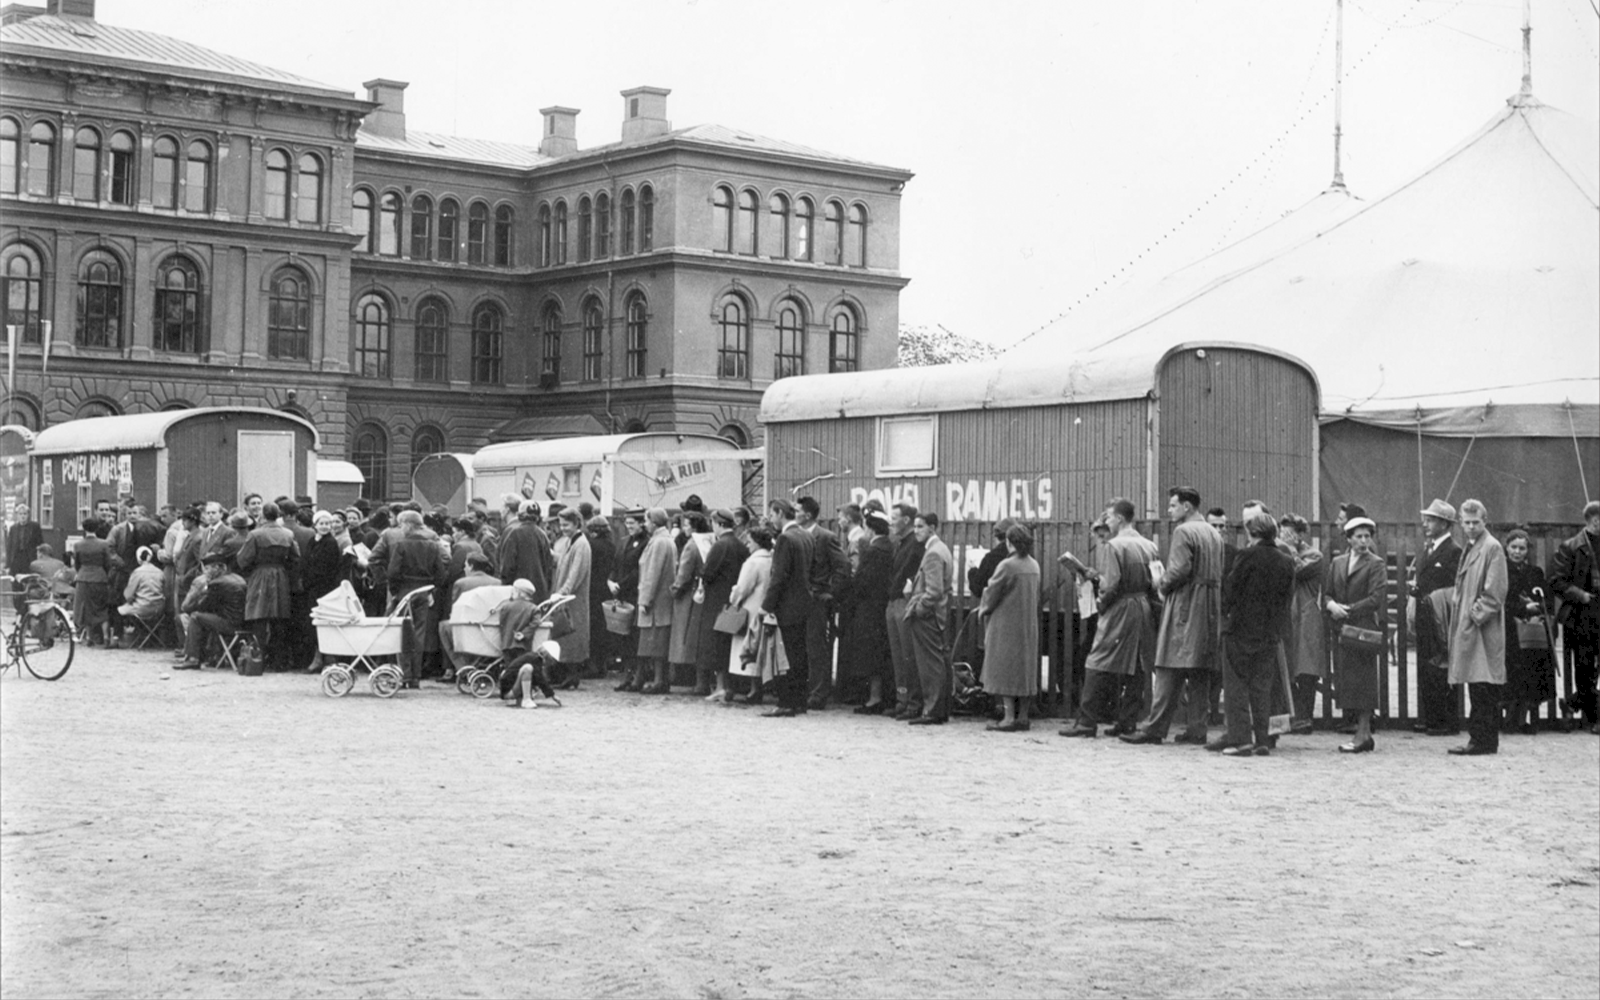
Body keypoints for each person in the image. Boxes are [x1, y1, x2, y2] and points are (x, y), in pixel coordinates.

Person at [1122, 486, 1223, 746]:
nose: (1169, 510)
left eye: (1173, 505)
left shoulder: (1183, 531)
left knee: (1168, 663)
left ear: (1187, 506)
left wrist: (1161, 583)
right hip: (1210, 605)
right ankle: (1197, 728)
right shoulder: (1214, 533)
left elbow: (1179, 570)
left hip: (1185, 604)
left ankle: (1155, 728)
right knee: (1200, 669)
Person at [1060, 499, 1159, 738]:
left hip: (1120, 607)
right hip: (1142, 607)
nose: (1108, 522)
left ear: (1120, 519)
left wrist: (1101, 603)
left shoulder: (1114, 546)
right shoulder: (1149, 546)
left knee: (1098, 659)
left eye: (1110, 518)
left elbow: (1111, 584)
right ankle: (1128, 721)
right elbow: (1156, 580)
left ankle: (1086, 721)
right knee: (1137, 664)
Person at [1215, 511, 1296, 756]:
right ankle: (1263, 739)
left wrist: (1226, 613)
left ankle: (1241, 740)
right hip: (1269, 633)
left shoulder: (1246, 555)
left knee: (1237, 686)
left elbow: (1231, 591)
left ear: (1252, 533)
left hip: (1241, 630)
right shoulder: (1285, 560)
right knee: (1263, 688)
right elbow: (1286, 598)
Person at [1446, 500, 1507, 756]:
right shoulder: (1472, 547)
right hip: (1471, 626)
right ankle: (1481, 739)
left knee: (1483, 685)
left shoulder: (1492, 548)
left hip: (1482, 628)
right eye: (1467, 522)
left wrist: (1474, 614)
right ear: (1461, 522)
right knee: (1477, 683)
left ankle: (1482, 741)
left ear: (1485, 521)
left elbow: (1495, 592)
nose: (1471, 527)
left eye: (1476, 522)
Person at [1324, 516, 1386, 753]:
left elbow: (1376, 598)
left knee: (1364, 682)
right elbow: (1328, 592)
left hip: (1362, 629)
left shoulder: (1376, 564)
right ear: (1348, 539)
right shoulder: (1338, 562)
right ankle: (1362, 734)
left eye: (1367, 536)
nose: (1363, 541)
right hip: (1341, 629)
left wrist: (1347, 610)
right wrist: (1331, 606)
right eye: (1358, 536)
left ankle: (1363, 734)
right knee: (1348, 682)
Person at [979, 524, 1041, 732]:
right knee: (1024, 670)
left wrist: (983, 609)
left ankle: (1007, 717)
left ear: (1009, 542)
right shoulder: (1033, 565)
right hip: (1027, 624)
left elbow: (992, 592)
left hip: (1005, 623)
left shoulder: (1007, 565)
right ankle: (1023, 716)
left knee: (1004, 669)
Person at [760, 499, 818, 717]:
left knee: (785, 655)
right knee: (799, 654)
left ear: (780, 513)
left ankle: (786, 702)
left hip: (787, 604)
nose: (772, 519)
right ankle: (799, 701)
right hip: (803, 602)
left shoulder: (785, 538)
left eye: (773, 515)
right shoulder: (806, 535)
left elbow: (779, 576)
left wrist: (767, 605)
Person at [1411, 499, 1463, 736]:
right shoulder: (1428, 549)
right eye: (1426, 519)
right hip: (1425, 615)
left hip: (1443, 616)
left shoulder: (1454, 551)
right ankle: (1431, 717)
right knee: (1426, 665)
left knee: (1443, 665)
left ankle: (1446, 721)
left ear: (1444, 523)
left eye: (1431, 520)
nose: (1426, 524)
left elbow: (1456, 586)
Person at [1549, 501, 1600, 734]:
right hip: (1581, 616)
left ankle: (1571, 703)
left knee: (1592, 670)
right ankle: (1594, 718)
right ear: (1593, 520)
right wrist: (1581, 596)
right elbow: (1556, 581)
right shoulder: (1570, 547)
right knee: (1585, 667)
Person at [796, 495, 850, 710]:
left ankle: (819, 693)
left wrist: (831, 593)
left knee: (817, 646)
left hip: (817, 599)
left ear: (807, 515)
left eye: (797, 510)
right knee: (800, 645)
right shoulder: (795, 535)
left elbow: (843, 566)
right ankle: (806, 688)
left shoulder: (825, 537)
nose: (795, 513)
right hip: (798, 599)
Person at [1502, 528, 1555, 733]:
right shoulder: (1502, 570)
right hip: (1509, 629)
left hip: (1531, 631)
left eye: (1522, 548)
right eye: (1514, 547)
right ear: (1506, 548)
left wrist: (1537, 607)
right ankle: (1508, 718)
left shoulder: (1535, 572)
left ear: (1527, 550)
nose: (1517, 552)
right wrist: (1521, 607)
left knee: (1530, 672)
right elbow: (1501, 600)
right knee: (1511, 673)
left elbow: (1546, 599)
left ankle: (1523, 719)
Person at [386, 509, 446, 688]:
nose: (400, 528)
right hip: (424, 591)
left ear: (408, 525)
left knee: (404, 632)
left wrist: (395, 591)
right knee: (419, 634)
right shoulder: (433, 545)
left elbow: (393, 572)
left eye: (401, 524)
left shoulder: (401, 545)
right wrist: (431, 591)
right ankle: (416, 676)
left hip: (405, 590)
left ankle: (405, 673)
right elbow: (441, 574)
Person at [237, 501, 299, 672]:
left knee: (258, 617)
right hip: (281, 576)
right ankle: (279, 661)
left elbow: (243, 559)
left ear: (263, 515)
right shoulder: (288, 534)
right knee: (279, 618)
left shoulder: (255, 534)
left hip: (260, 575)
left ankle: (258, 659)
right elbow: (295, 558)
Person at [904, 512, 953, 725]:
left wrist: (918, 609)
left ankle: (931, 710)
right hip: (937, 615)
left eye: (920, 526)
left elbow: (934, 591)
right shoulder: (941, 549)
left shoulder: (932, 553)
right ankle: (939, 710)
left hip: (928, 617)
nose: (916, 531)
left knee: (929, 664)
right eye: (915, 526)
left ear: (932, 528)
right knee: (939, 661)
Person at [843, 510, 895, 714]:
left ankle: (874, 698)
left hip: (868, 608)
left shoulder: (873, 551)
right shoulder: (890, 547)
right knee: (881, 653)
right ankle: (882, 697)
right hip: (881, 605)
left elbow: (862, 581)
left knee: (871, 655)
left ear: (871, 529)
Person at [1277, 514, 1326, 726]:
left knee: (1306, 668)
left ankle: (1305, 717)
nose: (1284, 537)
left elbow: (1295, 571)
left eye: (1289, 533)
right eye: (1282, 532)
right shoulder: (1280, 553)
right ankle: (1293, 716)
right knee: (1286, 666)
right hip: (1288, 615)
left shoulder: (1315, 555)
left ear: (1299, 535)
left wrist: (1290, 549)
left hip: (1306, 615)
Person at [698, 510, 749, 703]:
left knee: (715, 645)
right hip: (733, 602)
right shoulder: (740, 545)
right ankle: (729, 686)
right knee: (729, 645)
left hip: (716, 602)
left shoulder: (720, 545)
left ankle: (720, 687)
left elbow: (708, 572)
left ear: (718, 524)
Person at [727, 524, 776, 704]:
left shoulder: (752, 562)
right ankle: (760, 688)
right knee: (761, 648)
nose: (747, 545)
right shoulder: (772, 560)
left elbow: (742, 589)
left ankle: (753, 690)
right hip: (765, 608)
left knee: (749, 647)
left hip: (750, 609)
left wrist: (734, 597)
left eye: (749, 542)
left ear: (756, 542)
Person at [885, 503, 925, 720]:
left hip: (902, 600)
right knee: (898, 655)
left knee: (906, 655)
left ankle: (911, 702)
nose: (891, 522)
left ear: (906, 520)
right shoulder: (901, 543)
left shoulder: (913, 545)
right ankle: (903, 699)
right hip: (895, 600)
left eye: (895, 518)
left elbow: (904, 573)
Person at [173, 552, 247, 670]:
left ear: (217, 568)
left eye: (208, 568)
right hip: (243, 623)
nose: (205, 572)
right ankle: (207, 656)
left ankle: (193, 658)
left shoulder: (217, 583)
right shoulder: (239, 578)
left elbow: (203, 606)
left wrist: (200, 593)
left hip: (229, 624)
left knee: (196, 617)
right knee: (204, 618)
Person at [635, 508, 679, 694]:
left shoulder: (659, 542)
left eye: (646, 521)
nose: (645, 524)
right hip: (661, 600)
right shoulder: (665, 540)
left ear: (653, 522)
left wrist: (645, 599)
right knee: (656, 641)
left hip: (655, 602)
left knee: (655, 642)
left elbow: (652, 573)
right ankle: (657, 679)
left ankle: (659, 680)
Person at [549, 508, 592, 686]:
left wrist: (562, 592)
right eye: (561, 524)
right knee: (567, 635)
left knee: (573, 634)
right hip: (567, 599)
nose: (563, 528)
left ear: (576, 524)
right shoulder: (571, 541)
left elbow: (576, 573)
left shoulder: (581, 544)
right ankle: (569, 675)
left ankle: (573, 675)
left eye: (566, 524)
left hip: (573, 600)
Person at [610, 511, 649, 692]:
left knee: (635, 637)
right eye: (627, 522)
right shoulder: (624, 541)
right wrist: (611, 580)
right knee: (622, 637)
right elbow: (616, 564)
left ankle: (637, 676)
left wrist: (620, 584)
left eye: (632, 523)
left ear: (642, 523)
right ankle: (627, 674)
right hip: (620, 593)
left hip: (632, 592)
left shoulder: (645, 542)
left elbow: (637, 570)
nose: (629, 526)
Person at [71, 518, 120, 647]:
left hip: (83, 578)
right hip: (100, 578)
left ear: (84, 528)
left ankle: (88, 637)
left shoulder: (78, 545)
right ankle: (105, 637)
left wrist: (82, 571)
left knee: (86, 609)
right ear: (97, 528)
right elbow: (108, 563)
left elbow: (77, 564)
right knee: (101, 608)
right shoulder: (103, 544)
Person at [499, 499, 554, 600]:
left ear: (520, 515)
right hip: (540, 591)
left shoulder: (515, 534)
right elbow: (548, 567)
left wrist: (505, 586)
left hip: (520, 592)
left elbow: (508, 566)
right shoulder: (543, 535)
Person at [585, 515, 616, 679]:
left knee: (593, 629)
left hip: (592, 590)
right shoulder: (612, 546)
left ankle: (592, 666)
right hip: (606, 590)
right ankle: (602, 665)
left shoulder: (591, 546)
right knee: (603, 629)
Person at [115, 546, 167, 646]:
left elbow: (128, 595)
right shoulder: (160, 572)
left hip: (142, 607)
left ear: (138, 558)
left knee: (118, 611)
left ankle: (117, 638)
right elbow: (164, 591)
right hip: (159, 609)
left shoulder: (137, 572)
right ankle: (149, 638)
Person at [5, 503, 44, 612]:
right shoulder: (13, 528)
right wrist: (8, 565)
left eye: (25, 514)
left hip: (29, 560)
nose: (23, 516)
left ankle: (27, 612)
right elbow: (9, 547)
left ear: (28, 515)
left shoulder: (34, 527)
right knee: (16, 587)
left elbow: (40, 543)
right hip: (16, 560)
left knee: (28, 586)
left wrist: (39, 560)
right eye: (20, 514)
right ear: (17, 515)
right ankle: (19, 611)